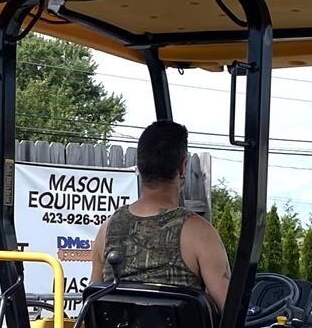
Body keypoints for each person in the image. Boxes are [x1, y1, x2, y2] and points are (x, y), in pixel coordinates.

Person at [90, 120, 231, 310]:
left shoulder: (107, 230)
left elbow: (92, 302)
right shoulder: (199, 233)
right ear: (182, 167)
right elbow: (231, 312)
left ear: (140, 166)